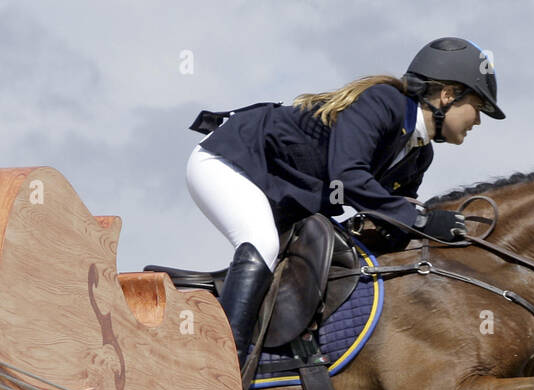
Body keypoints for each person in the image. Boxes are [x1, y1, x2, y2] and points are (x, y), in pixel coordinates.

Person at [186, 37, 503, 364]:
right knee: (262, 244)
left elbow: (392, 218)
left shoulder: (419, 156)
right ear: (448, 95)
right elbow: (347, 177)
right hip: (230, 160)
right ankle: (220, 362)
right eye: (478, 108)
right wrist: (423, 222)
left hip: (280, 193)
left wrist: (428, 231)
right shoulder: (384, 102)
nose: (478, 120)